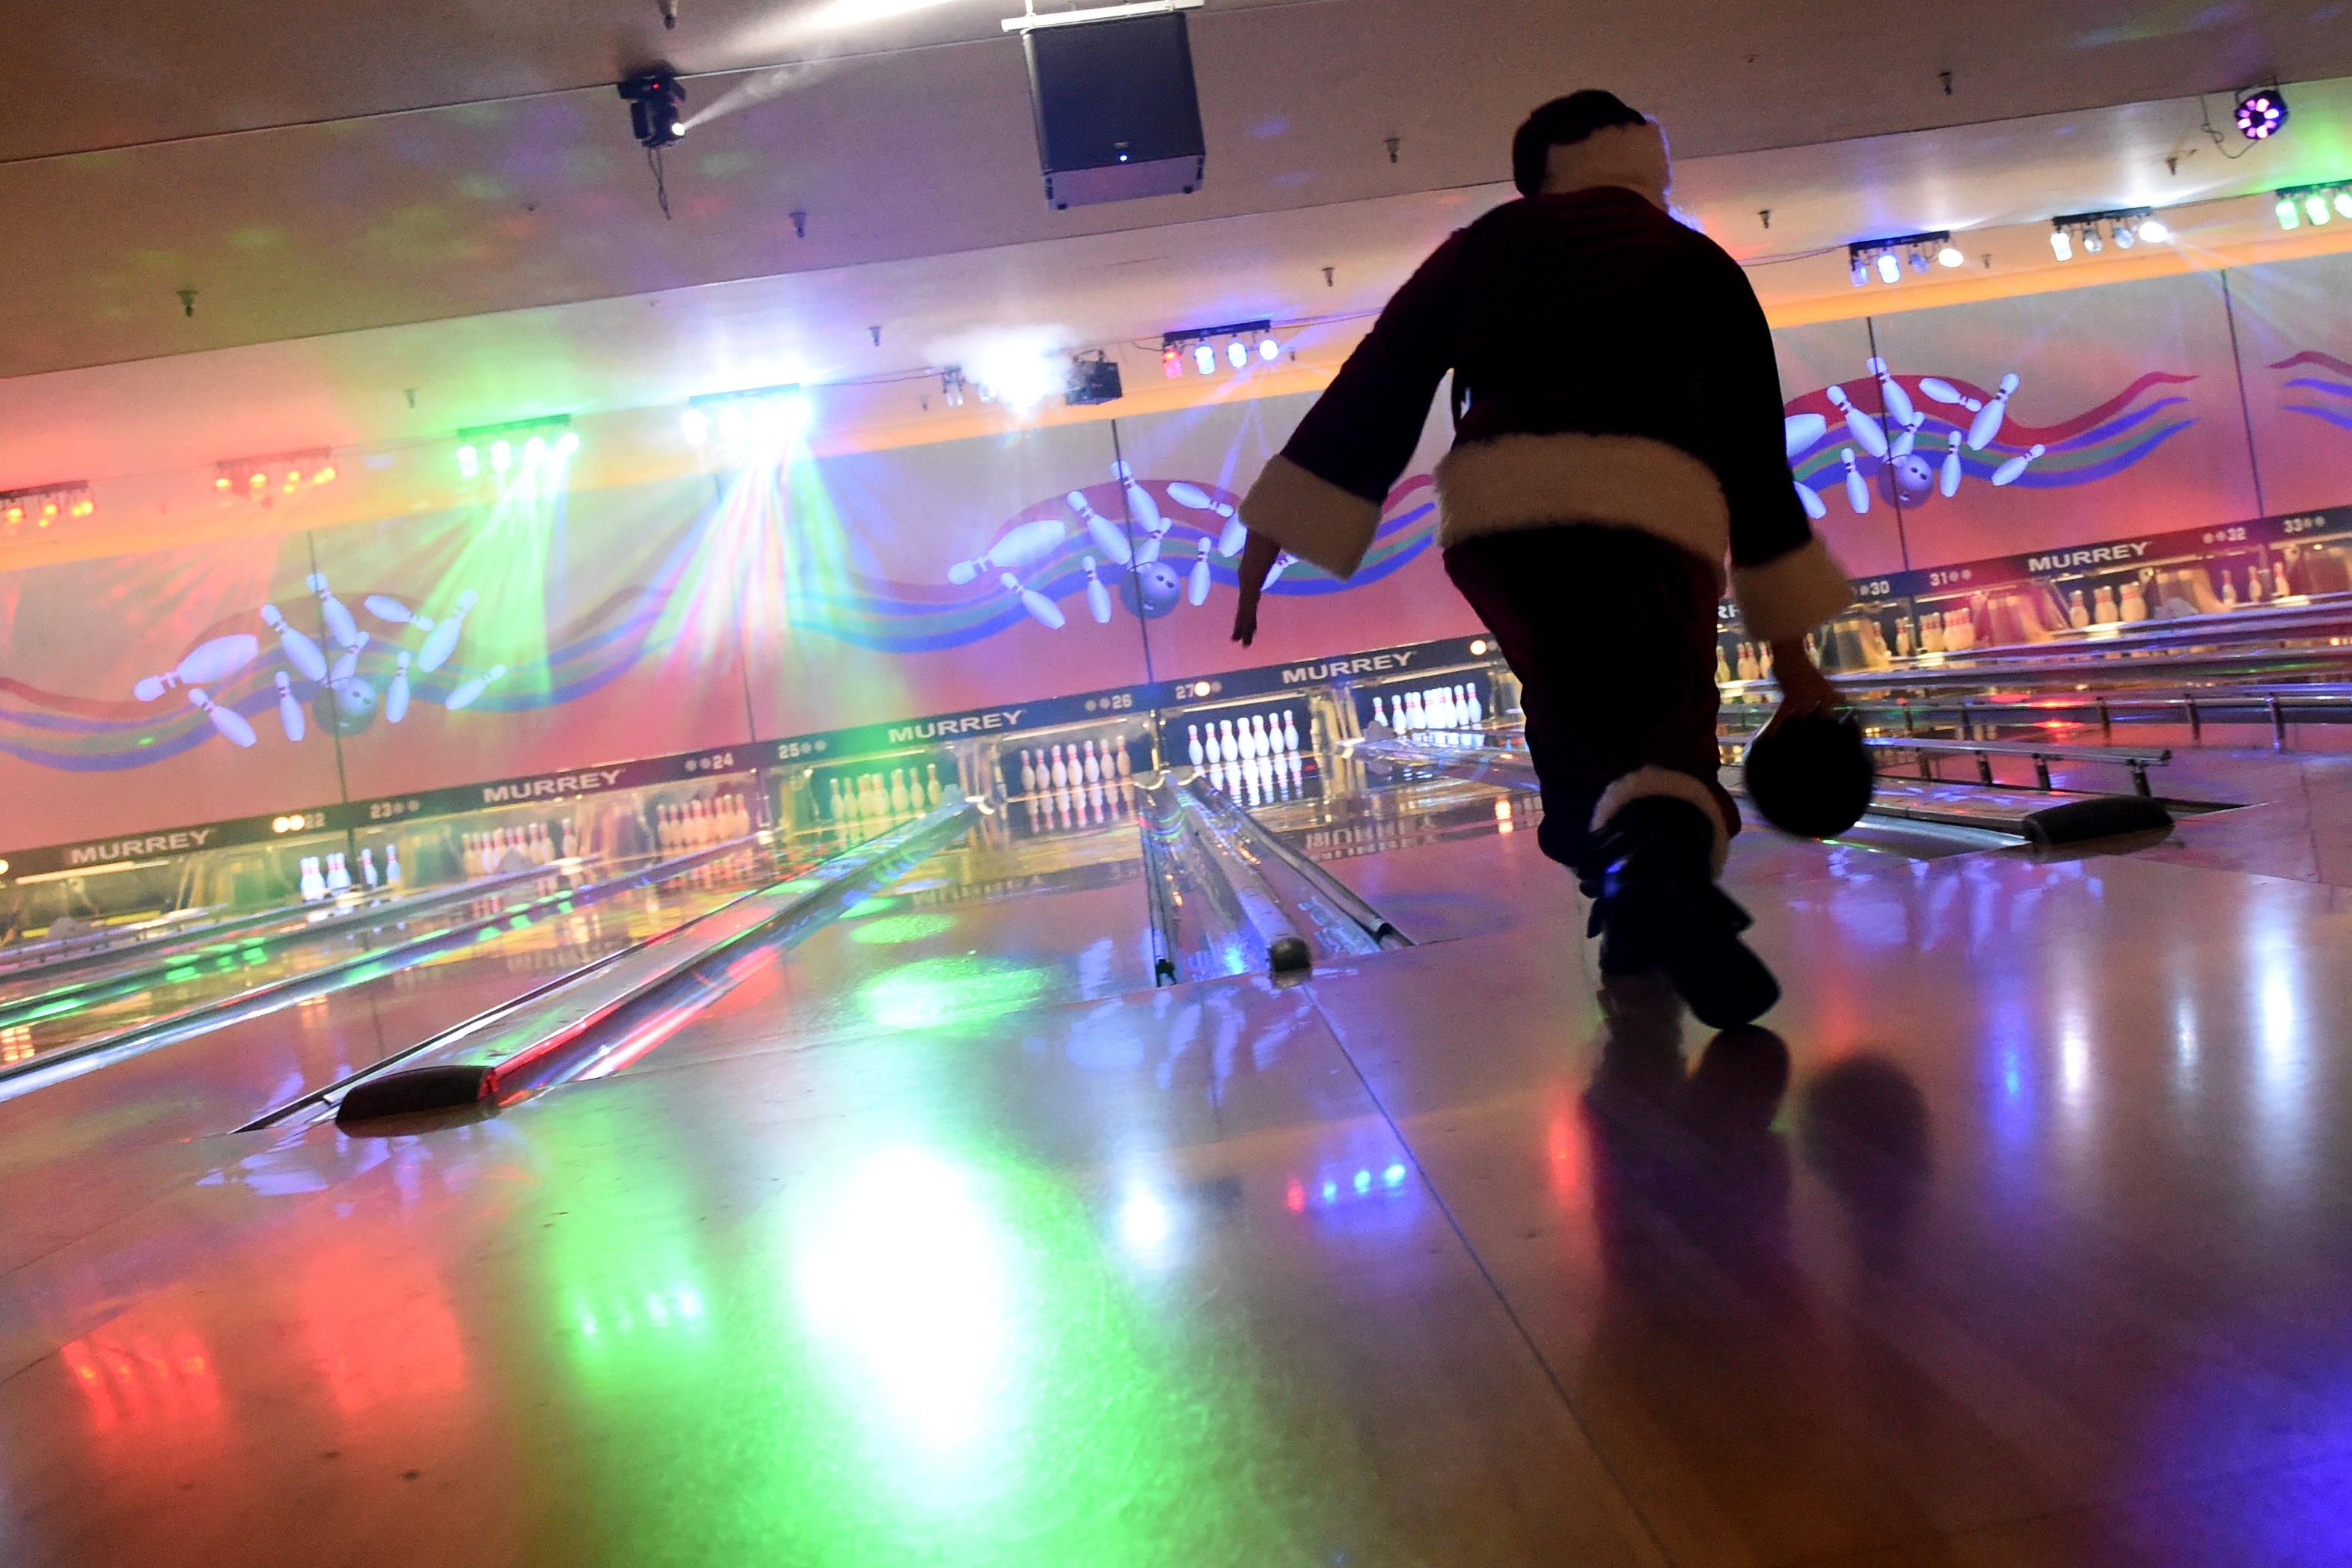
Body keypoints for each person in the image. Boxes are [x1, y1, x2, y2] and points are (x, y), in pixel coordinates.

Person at [1229, 90, 1851, 1028]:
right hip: (1650, 508)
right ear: (1648, 166)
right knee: (1667, 726)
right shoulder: (1698, 263)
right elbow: (1756, 460)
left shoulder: (1482, 248)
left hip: (1496, 521)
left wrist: (1279, 519)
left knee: (1567, 713)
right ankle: (1662, 881)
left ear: (1537, 177)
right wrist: (1794, 655)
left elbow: (1386, 371)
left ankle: (1634, 911)